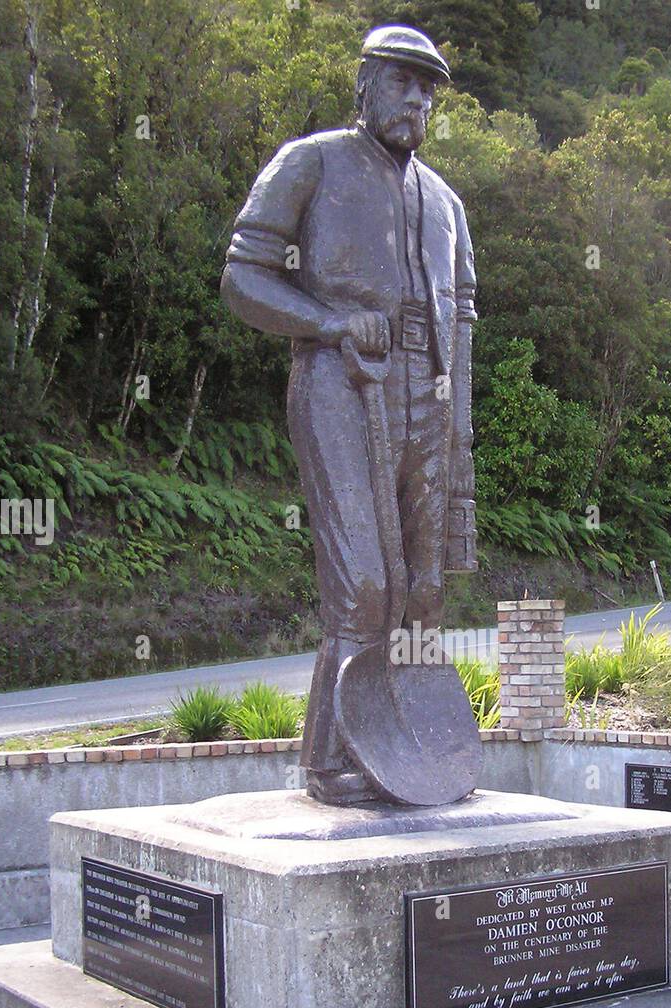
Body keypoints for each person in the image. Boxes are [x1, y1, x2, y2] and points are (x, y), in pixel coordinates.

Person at [221, 24, 477, 806]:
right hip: (339, 383)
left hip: (426, 398)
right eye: (402, 81)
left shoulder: (445, 202)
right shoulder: (314, 162)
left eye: (428, 88)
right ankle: (331, 760)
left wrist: (457, 431)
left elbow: (461, 317)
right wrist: (330, 322)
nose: (416, 100)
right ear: (363, 85)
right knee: (364, 586)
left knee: (425, 590)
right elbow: (242, 277)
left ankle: (417, 752)